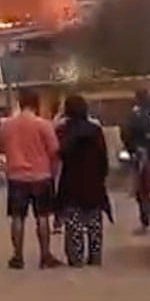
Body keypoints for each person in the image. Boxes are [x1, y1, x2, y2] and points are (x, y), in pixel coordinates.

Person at [0, 88, 62, 270]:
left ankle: (17, 256)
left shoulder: (7, 125)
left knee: (17, 217)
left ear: (20, 103)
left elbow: (1, 148)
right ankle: (45, 255)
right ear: (37, 104)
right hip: (41, 175)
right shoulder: (44, 125)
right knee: (42, 216)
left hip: (16, 175)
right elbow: (54, 151)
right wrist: (53, 172)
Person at [55, 95, 110, 267]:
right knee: (94, 221)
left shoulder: (64, 130)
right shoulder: (95, 130)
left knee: (74, 222)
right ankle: (95, 255)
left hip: (71, 179)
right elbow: (103, 156)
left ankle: (76, 257)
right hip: (93, 179)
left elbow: (60, 153)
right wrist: (102, 175)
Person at [121, 88, 150, 233]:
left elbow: (126, 133)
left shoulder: (135, 114)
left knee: (142, 188)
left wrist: (131, 148)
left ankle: (146, 219)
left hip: (143, 152)